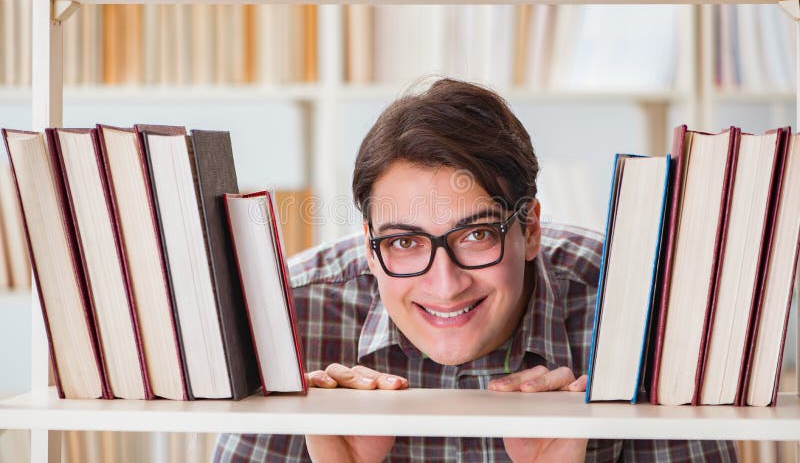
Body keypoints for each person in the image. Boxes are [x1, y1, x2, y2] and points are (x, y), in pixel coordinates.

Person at [213, 78, 737, 462]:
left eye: (476, 235)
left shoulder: (646, 313)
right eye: (402, 242)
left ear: (530, 229)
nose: (445, 285)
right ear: (370, 249)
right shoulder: (288, 315)